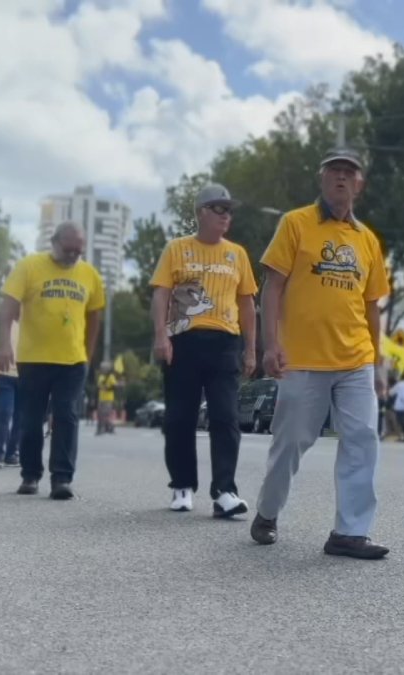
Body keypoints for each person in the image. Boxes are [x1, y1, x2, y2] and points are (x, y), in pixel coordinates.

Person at [250, 147, 392, 560]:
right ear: (322, 179)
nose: (341, 177)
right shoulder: (295, 224)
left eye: (349, 172)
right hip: (302, 358)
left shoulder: (367, 240)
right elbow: (272, 287)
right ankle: (268, 512)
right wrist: (271, 344)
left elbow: (371, 305)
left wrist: (378, 360)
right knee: (292, 441)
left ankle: (349, 532)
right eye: (334, 171)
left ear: (359, 184)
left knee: (362, 438)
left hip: (355, 358)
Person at [150, 183, 257, 516]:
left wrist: (251, 349)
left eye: (229, 211)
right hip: (183, 340)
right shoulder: (177, 249)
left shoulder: (237, 254)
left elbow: (247, 303)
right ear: (201, 213)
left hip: (225, 342)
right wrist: (161, 336)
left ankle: (225, 491)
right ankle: (182, 485)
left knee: (225, 416)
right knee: (179, 418)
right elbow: (161, 293)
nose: (226, 216)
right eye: (219, 209)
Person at [0, 222, 105, 501]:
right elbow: (7, 308)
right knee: (31, 419)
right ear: (54, 243)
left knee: (66, 416)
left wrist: (88, 354)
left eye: (78, 251)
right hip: (34, 359)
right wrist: (5, 343)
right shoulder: (29, 266)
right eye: (68, 249)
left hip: (72, 361)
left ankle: (62, 479)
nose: (73, 255)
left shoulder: (89, 274)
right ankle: (30, 474)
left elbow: (95, 316)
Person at [0, 318, 21, 468]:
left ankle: (11, 453)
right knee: (4, 413)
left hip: (26, 375)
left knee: (21, 417)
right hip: (4, 374)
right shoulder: (3, 323)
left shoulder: (33, 320)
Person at [95, 363, 117, 435]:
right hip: (101, 398)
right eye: (102, 368)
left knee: (105, 414)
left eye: (104, 368)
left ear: (107, 369)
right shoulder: (101, 377)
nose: (102, 369)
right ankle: (104, 428)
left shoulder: (111, 377)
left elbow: (114, 387)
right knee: (100, 414)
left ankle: (105, 428)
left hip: (108, 399)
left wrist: (107, 388)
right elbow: (98, 386)